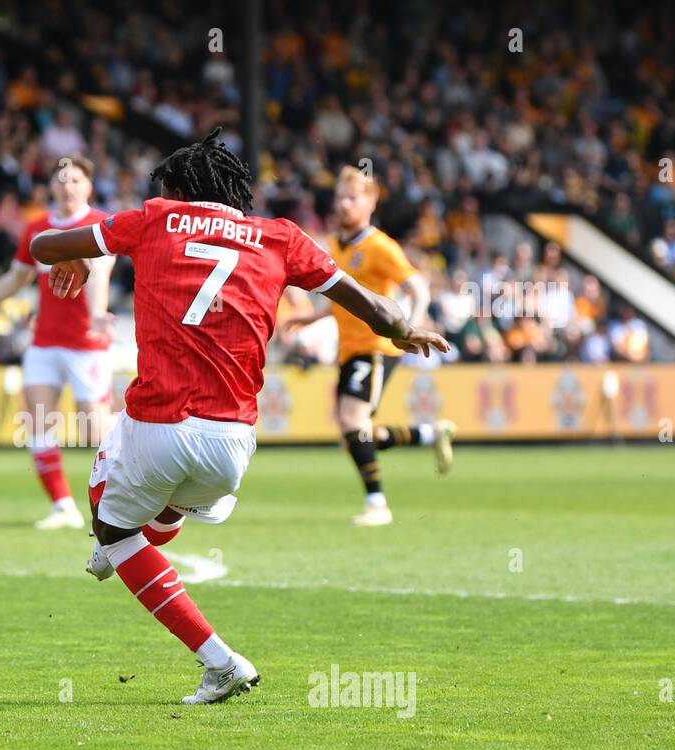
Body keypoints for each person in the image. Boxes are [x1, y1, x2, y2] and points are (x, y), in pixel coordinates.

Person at [30, 130, 449, 704]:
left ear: (177, 190)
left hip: (158, 424)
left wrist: (78, 255)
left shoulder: (154, 217)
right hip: (234, 444)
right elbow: (375, 307)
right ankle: (162, 518)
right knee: (164, 497)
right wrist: (405, 332)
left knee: (111, 523)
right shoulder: (281, 237)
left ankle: (219, 660)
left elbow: (42, 246)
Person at [284, 166, 456, 526]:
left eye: (353, 198)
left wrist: (412, 325)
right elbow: (344, 301)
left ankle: (377, 504)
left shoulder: (379, 246)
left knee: (350, 420)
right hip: (348, 349)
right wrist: (311, 319)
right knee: (354, 436)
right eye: (340, 198)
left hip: (378, 346)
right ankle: (429, 433)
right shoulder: (335, 246)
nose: (344, 205)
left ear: (371, 202)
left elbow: (417, 287)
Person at [0, 156, 114, 529]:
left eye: (75, 179)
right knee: (39, 422)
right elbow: (15, 279)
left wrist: (97, 314)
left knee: (96, 431)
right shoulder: (38, 229)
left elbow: (101, 272)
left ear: (88, 186)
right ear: (50, 188)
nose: (67, 185)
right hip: (45, 342)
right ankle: (62, 506)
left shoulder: (100, 224)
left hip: (86, 345)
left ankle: (116, 509)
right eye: (61, 179)